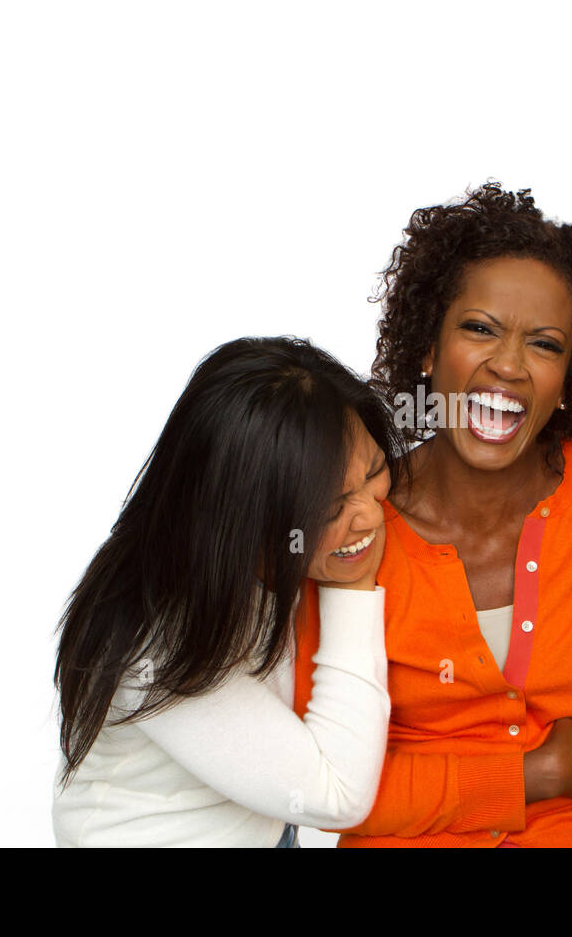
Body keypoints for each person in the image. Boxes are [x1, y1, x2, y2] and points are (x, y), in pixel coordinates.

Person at [290, 184, 572, 846]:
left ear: (570, 376)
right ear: (428, 349)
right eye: (479, 329)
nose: (507, 364)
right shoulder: (352, 523)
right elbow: (327, 785)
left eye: (544, 344)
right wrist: (531, 774)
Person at [52, 336, 396, 847]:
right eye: (331, 505)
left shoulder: (273, 551)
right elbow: (338, 794)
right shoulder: (159, 634)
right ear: (246, 515)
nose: (370, 513)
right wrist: (353, 587)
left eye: (373, 473)